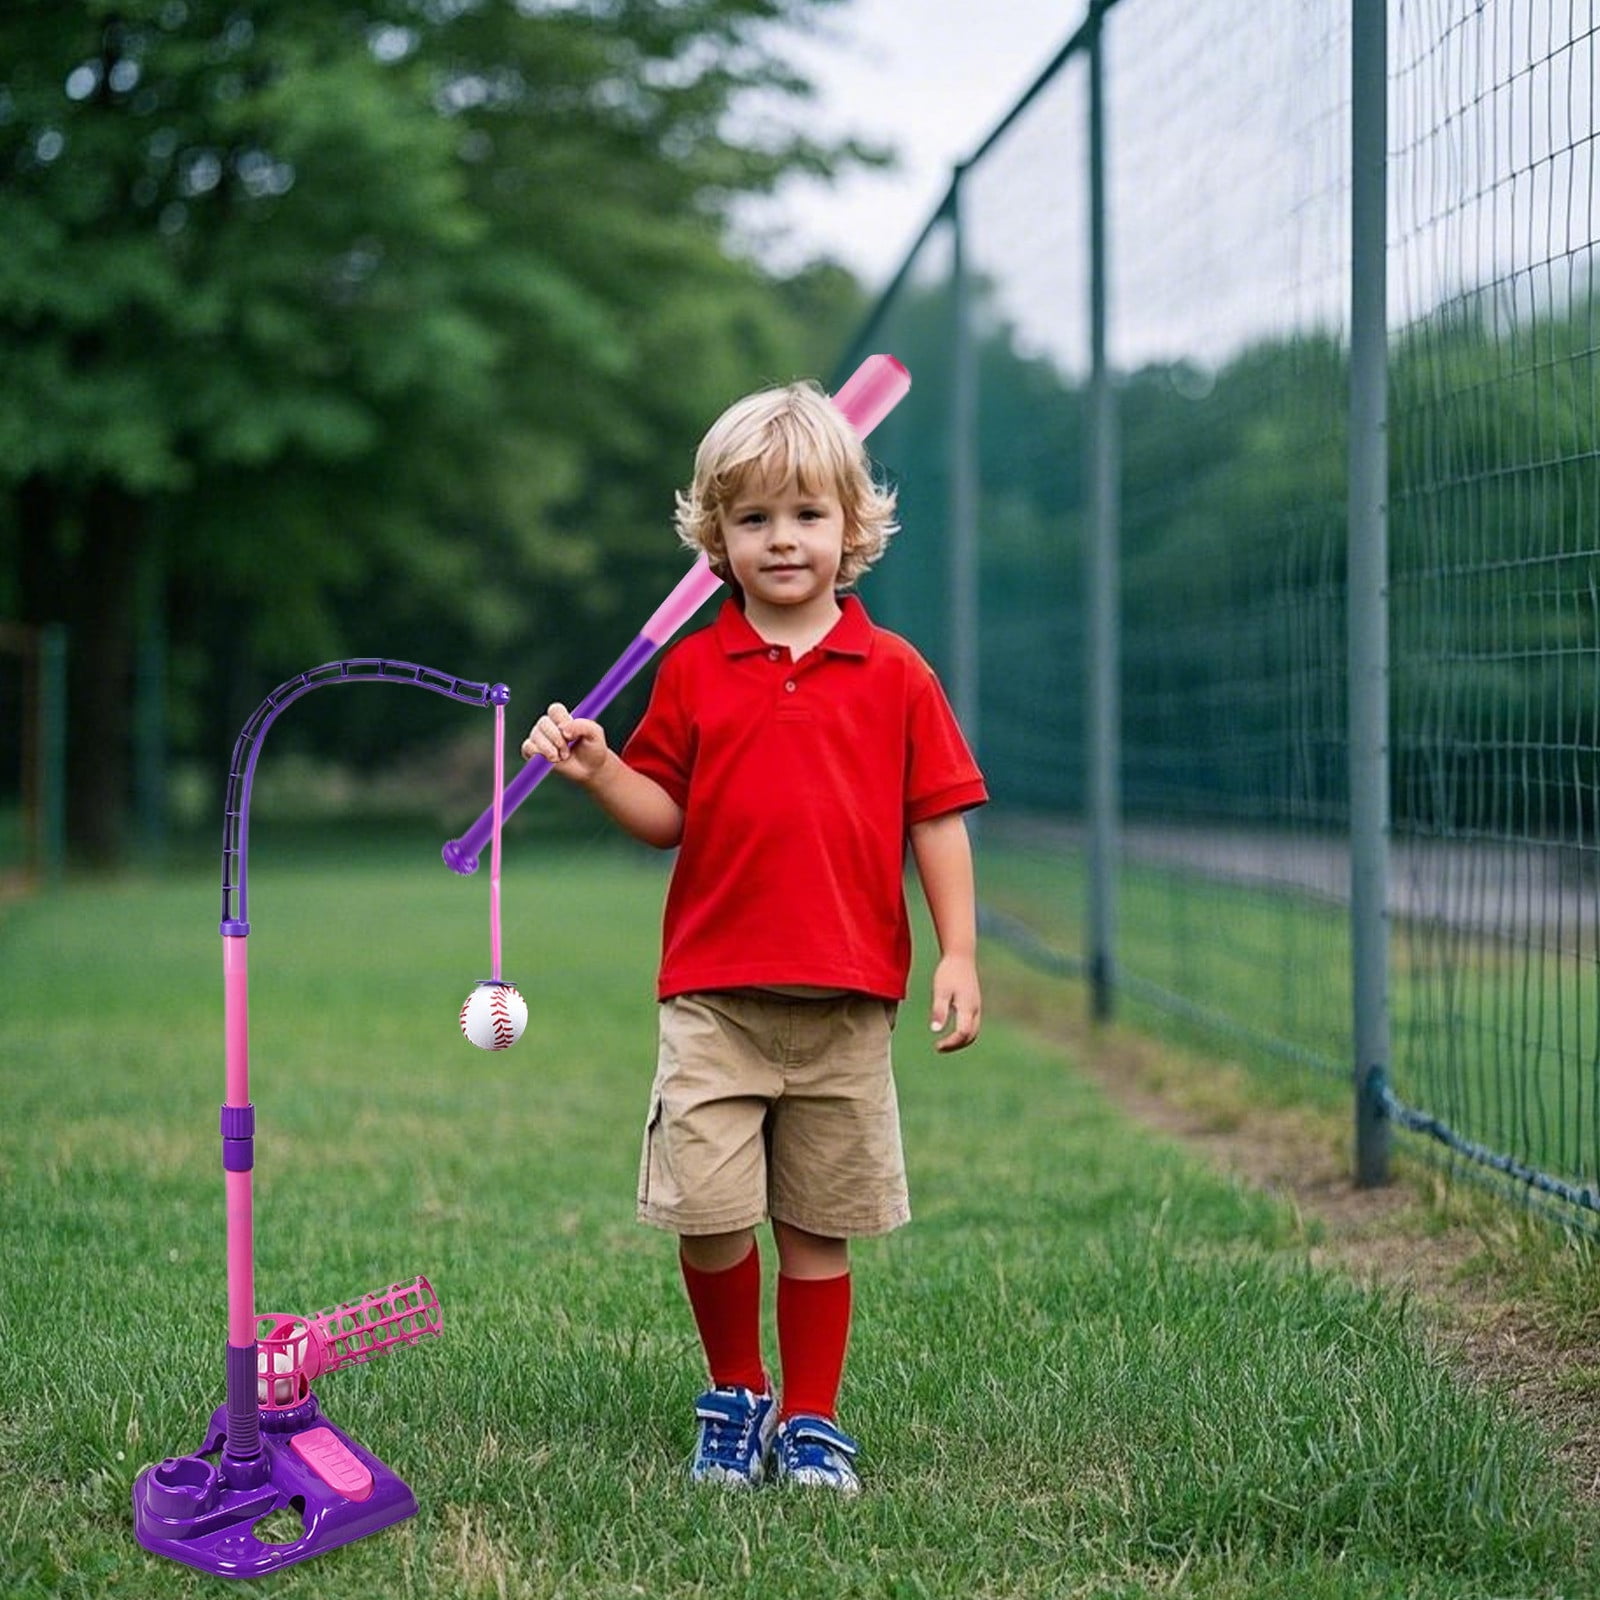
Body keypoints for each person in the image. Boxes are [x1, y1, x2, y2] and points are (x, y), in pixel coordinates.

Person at [522, 379, 986, 1494]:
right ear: (716, 538)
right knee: (711, 1213)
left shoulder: (897, 673)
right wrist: (601, 770)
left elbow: (937, 818)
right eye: (754, 518)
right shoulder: (692, 670)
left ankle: (812, 1419)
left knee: (819, 1226)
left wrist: (960, 951)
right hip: (714, 1001)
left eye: (807, 514)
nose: (783, 538)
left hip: (846, 1005)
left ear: (851, 526)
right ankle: (736, 1394)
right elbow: (664, 818)